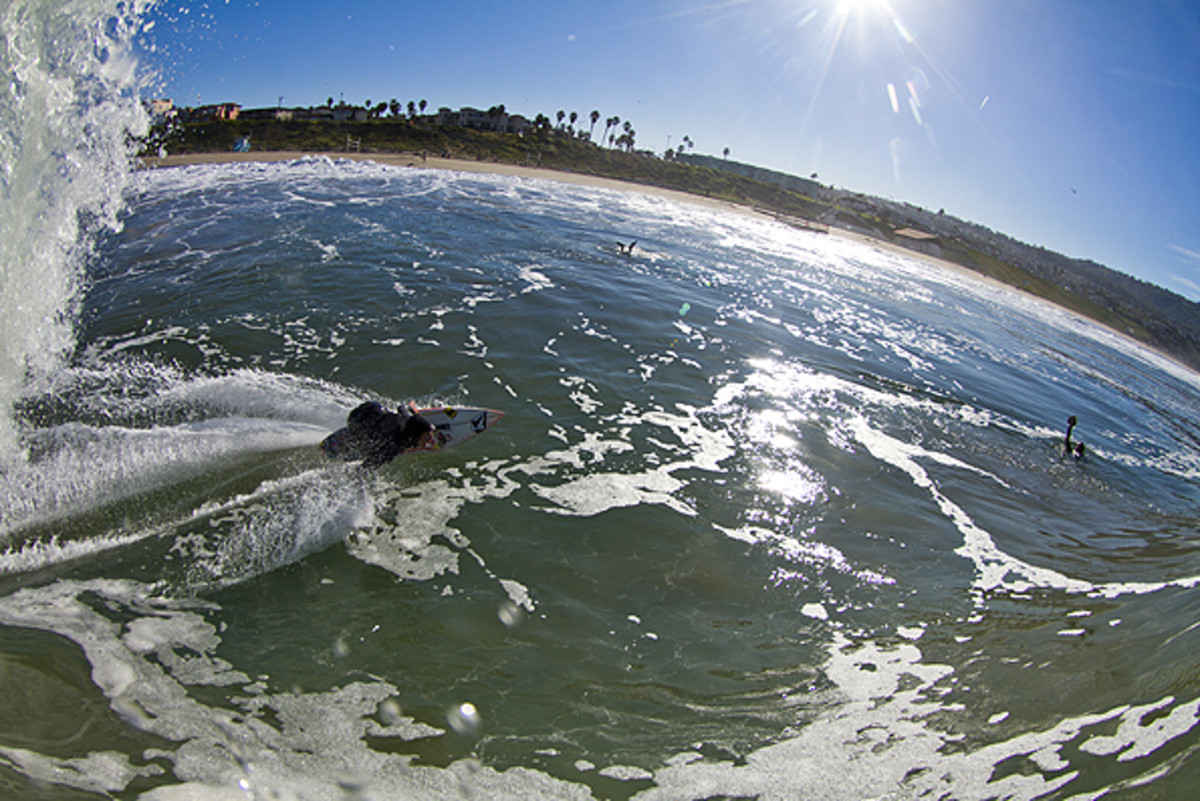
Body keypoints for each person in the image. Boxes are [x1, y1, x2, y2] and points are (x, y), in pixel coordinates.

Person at [324, 401, 435, 469]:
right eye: (427, 435)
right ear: (416, 433)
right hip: (358, 419)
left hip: (373, 408)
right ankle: (352, 439)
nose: (431, 439)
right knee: (368, 441)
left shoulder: (407, 420)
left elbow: (402, 408)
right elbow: (364, 469)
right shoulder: (393, 445)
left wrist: (415, 413)